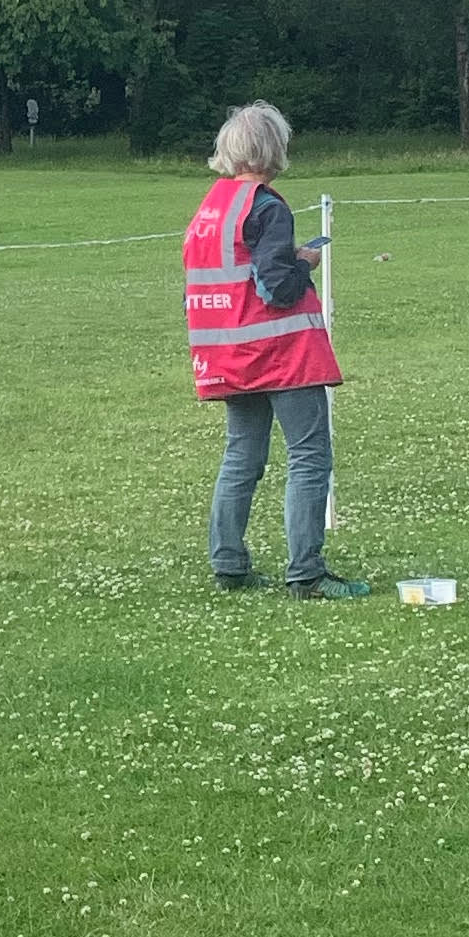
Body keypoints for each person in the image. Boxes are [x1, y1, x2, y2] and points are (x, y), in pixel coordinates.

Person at [183, 99, 368, 598]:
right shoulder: (266, 207)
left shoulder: (211, 208)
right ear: (273, 149)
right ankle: (306, 573)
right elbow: (276, 287)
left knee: (241, 456)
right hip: (280, 352)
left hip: (228, 352)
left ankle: (229, 564)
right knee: (309, 456)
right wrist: (302, 261)